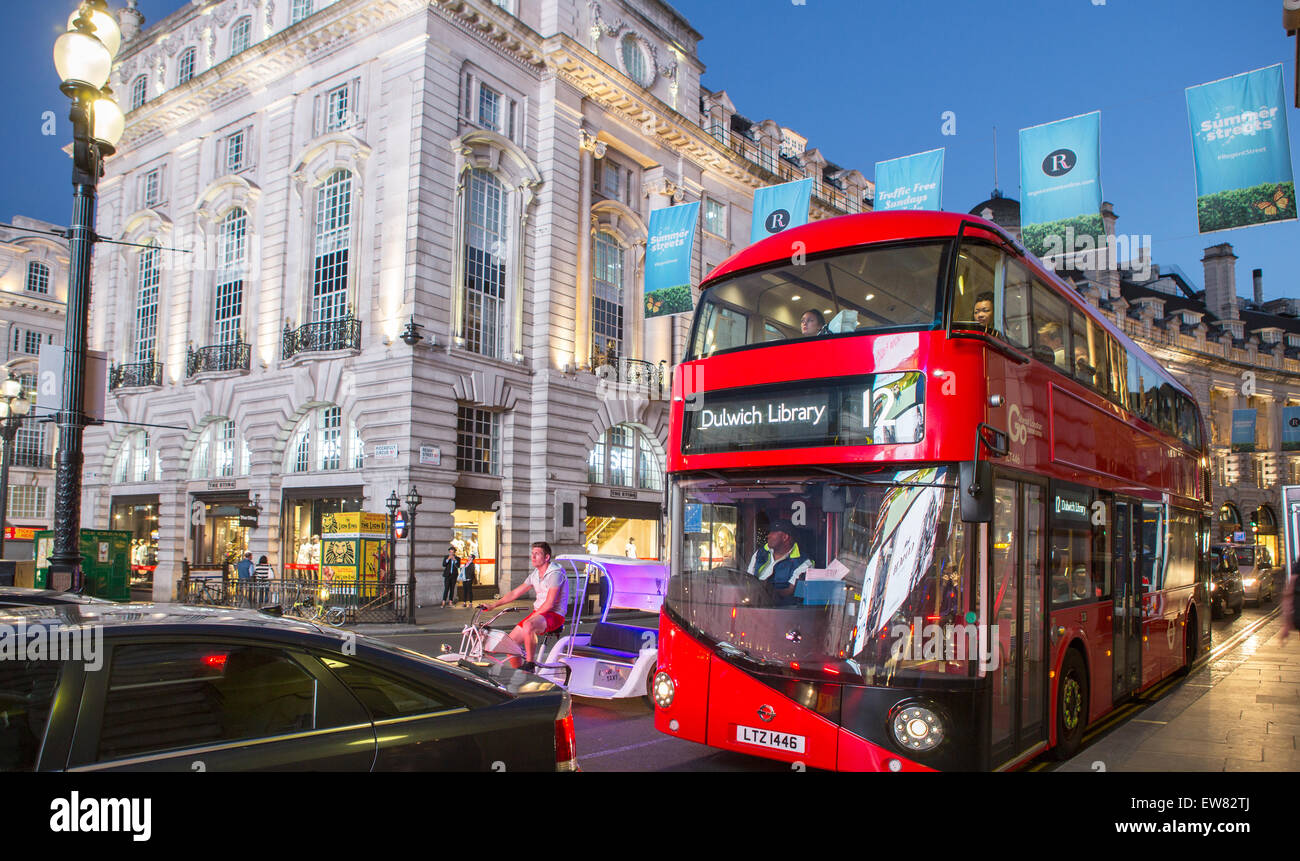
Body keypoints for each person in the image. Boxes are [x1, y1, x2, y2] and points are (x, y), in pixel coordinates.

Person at [479, 541, 569, 672]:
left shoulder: (555, 574)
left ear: (547, 557)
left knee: (528, 625)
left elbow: (549, 603)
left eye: (537, 554)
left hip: (554, 614)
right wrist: (493, 606)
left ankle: (530, 664)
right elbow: (515, 593)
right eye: (532, 554)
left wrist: (531, 619)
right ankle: (521, 674)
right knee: (510, 644)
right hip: (540, 613)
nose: (533, 557)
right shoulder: (535, 575)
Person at [747, 519, 812, 604]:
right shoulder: (759, 554)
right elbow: (748, 580)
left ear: (785, 537)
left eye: (773, 532)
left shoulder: (804, 562)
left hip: (783, 611)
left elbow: (791, 593)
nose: (768, 536)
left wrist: (765, 588)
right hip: (753, 606)